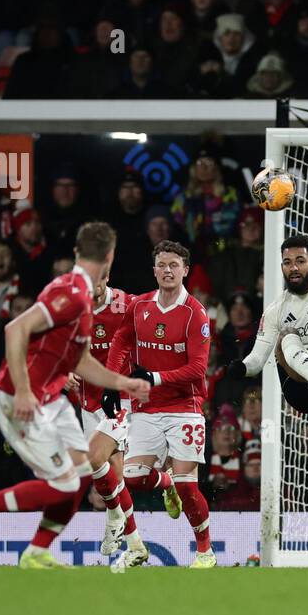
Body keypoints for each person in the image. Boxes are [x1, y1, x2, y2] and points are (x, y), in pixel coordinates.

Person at [0, 223, 152, 564]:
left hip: (51, 399)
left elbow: (79, 359)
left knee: (79, 479)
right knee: (64, 483)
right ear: (109, 257)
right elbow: (15, 329)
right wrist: (21, 391)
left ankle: (36, 552)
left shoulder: (85, 297)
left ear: (78, 252)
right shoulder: (72, 292)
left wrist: (122, 383)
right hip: (20, 397)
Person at [225, 234, 308, 567]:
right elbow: (257, 359)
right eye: (287, 262)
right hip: (300, 383)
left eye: (300, 260)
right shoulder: (276, 310)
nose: (294, 267)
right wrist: (237, 368)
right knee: (287, 338)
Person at [18, 272, 142, 569]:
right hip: (88, 402)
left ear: (107, 279)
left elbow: (150, 338)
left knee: (108, 466)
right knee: (106, 476)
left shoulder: (128, 305)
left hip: (120, 399)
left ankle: (134, 540)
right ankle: (123, 513)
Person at [106, 240, 215, 569]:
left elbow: (198, 368)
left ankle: (205, 551)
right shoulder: (139, 306)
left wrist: (153, 377)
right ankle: (163, 482)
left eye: (174, 265)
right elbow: (120, 341)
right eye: (162, 265)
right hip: (146, 409)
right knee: (132, 478)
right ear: (154, 271)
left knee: (188, 485)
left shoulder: (195, 313)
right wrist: (113, 381)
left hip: (186, 406)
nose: (168, 270)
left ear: (185, 270)